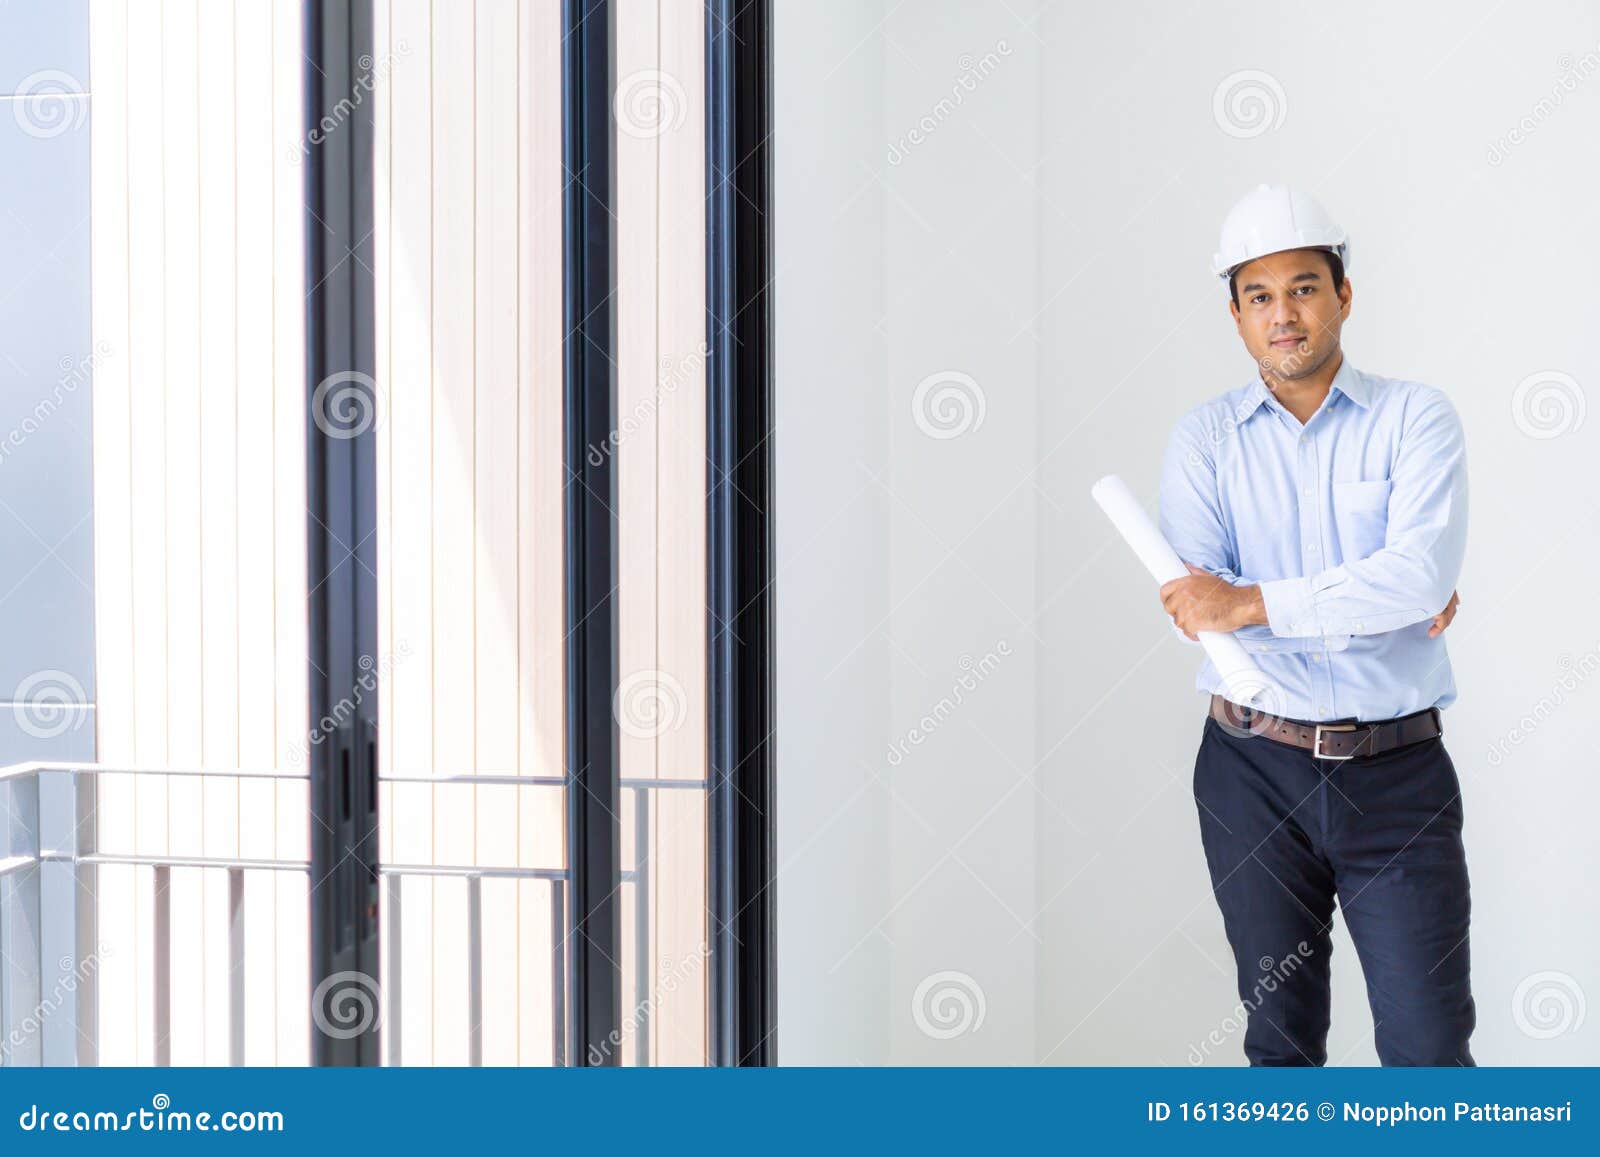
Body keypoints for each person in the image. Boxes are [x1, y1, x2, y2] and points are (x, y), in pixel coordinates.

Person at [1156, 184, 1474, 1066]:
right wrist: (1376, 592)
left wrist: (1256, 602)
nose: (1283, 315)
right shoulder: (1205, 441)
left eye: (1302, 288)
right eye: (1259, 297)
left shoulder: (1416, 418)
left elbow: (1417, 577)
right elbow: (1198, 606)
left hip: (1396, 777)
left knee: (1430, 1047)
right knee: (1281, 1040)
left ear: (1342, 295)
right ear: (1236, 315)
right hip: (1251, 771)